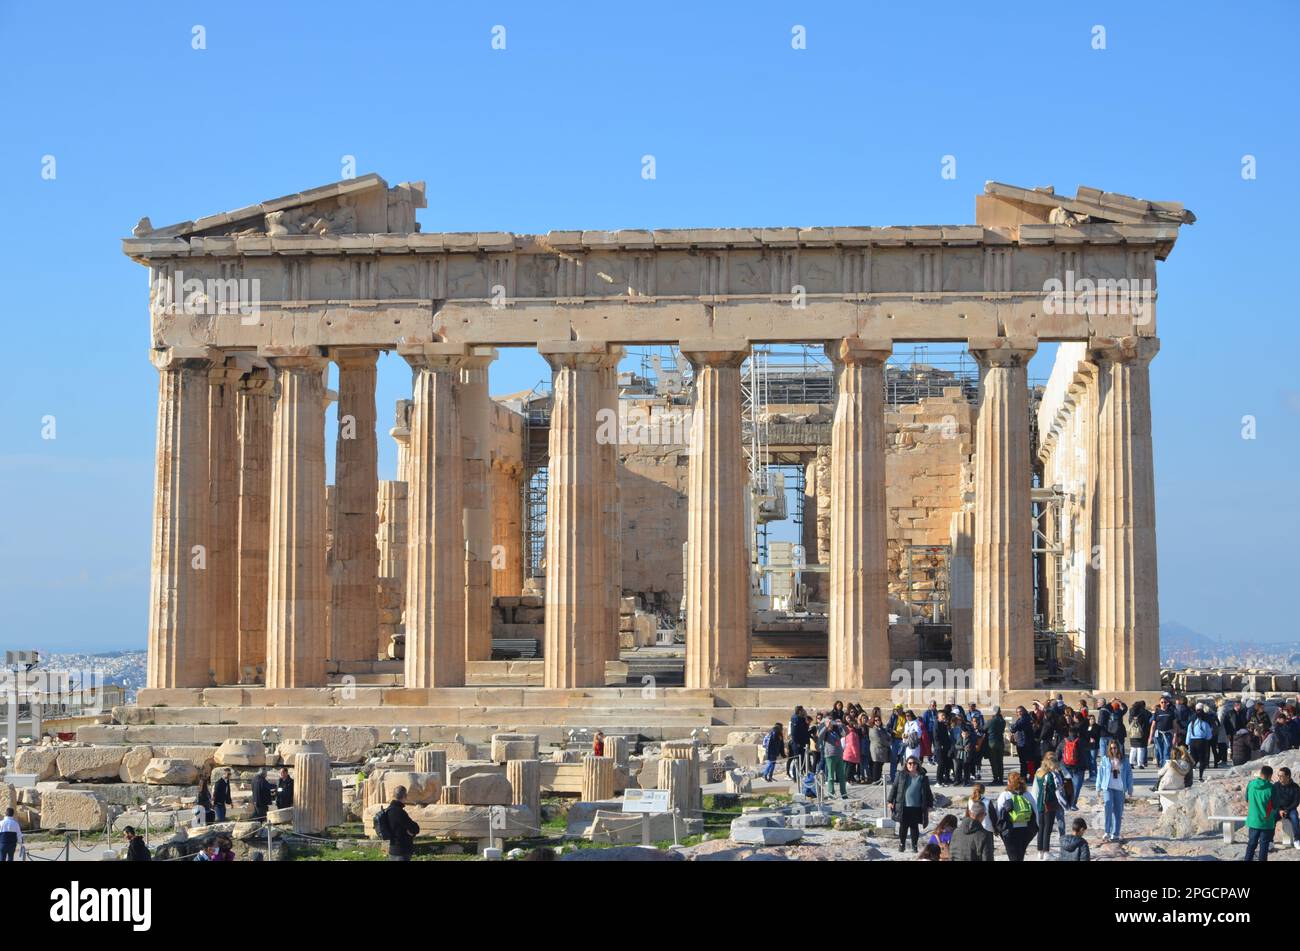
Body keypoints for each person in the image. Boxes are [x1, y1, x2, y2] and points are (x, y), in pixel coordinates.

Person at [887, 755, 933, 854]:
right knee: (903, 826)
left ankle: (914, 846)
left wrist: (929, 805)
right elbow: (894, 788)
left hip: (916, 807)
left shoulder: (922, 777)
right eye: (909, 763)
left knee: (914, 827)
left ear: (917, 765)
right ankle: (902, 844)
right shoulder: (901, 775)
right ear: (906, 764)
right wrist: (890, 801)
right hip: (903, 805)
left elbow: (928, 792)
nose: (911, 765)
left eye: (914, 763)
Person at [1095, 740, 1133, 843]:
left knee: (1118, 811)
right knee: (1108, 808)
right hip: (1108, 787)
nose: (1113, 750)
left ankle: (1115, 833)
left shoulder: (1124, 760)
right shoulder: (1105, 759)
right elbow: (1100, 774)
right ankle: (1107, 831)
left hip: (1120, 788)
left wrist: (1130, 789)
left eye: (1115, 748)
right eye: (1111, 748)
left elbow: (1129, 775)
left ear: (1118, 748)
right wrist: (1098, 787)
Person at [995, 771, 1038, 862]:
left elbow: (998, 813)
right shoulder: (1027, 794)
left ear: (1009, 782)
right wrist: (1036, 827)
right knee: (1020, 854)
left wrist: (998, 829)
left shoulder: (1005, 795)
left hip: (1009, 830)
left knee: (1013, 856)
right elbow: (1035, 811)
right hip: (1026, 830)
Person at [1033, 752, 1069, 859]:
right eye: (1056, 763)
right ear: (1051, 763)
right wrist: (1064, 803)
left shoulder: (1039, 773)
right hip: (1050, 804)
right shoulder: (1052, 775)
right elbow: (1058, 791)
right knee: (1048, 828)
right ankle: (1046, 852)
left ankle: (1040, 851)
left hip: (1040, 804)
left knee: (1041, 828)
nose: (1057, 765)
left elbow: (1036, 790)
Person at [1245, 764, 1276, 862]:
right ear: (1270, 776)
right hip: (1266, 822)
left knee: (1251, 843)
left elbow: (1247, 799)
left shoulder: (1251, 784)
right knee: (1264, 845)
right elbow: (1275, 804)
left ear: (1261, 774)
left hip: (1253, 820)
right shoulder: (1272, 788)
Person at [382, 785, 421, 861]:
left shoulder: (388, 810)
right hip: (402, 851)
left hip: (393, 849)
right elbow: (415, 828)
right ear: (404, 796)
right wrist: (411, 832)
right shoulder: (399, 812)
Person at [1271, 766, 1300, 851]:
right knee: (1271, 818)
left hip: (1290, 809)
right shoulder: (1276, 785)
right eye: (1278, 775)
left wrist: (1287, 810)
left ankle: (1297, 839)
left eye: (1281, 776)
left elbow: (1296, 802)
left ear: (1288, 776)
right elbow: (1273, 800)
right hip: (1278, 809)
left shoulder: (1295, 787)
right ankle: (1269, 841)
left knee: (1295, 818)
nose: (1279, 777)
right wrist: (1279, 810)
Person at [1059, 724, 1087, 810]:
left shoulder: (1064, 741)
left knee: (1066, 786)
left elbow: (1058, 753)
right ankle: (1072, 804)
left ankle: (1066, 803)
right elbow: (1084, 755)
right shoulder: (1081, 741)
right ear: (1077, 733)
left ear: (1069, 732)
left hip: (1065, 766)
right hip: (1078, 768)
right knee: (1076, 787)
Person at [819, 717, 847, 798]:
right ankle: (831, 793)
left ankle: (844, 793)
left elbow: (845, 734)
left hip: (839, 755)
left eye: (831, 723)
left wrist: (841, 725)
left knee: (842, 776)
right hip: (830, 755)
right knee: (831, 776)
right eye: (829, 723)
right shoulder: (825, 732)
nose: (831, 724)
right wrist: (826, 727)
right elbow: (820, 736)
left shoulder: (836, 731)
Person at [1187, 703, 1215, 781]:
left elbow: (1188, 732)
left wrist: (1187, 742)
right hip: (1202, 741)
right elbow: (1209, 735)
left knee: (1193, 760)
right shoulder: (1205, 722)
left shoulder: (1191, 722)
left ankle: (1190, 776)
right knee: (1202, 759)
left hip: (1193, 741)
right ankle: (1200, 776)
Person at [1011, 706, 1039, 780]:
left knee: (1024, 761)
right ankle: (1029, 776)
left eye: (1020, 711)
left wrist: (1012, 727)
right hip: (1027, 742)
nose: (1019, 713)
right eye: (1017, 712)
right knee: (1028, 761)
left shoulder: (1024, 719)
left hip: (1025, 743)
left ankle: (1024, 776)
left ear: (1024, 711)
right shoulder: (1025, 718)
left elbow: (1013, 728)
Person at [1149, 695, 1177, 767]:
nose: (1163, 704)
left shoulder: (1171, 712)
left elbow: (1175, 725)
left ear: (1167, 703)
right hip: (1158, 734)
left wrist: (1175, 736)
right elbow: (1153, 725)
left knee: (1167, 751)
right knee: (1160, 750)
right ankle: (1161, 765)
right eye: (1162, 702)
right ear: (1160, 703)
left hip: (1168, 734)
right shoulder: (1157, 712)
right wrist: (1150, 737)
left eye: (1165, 702)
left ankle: (1166, 766)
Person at [1127, 700, 1151, 769]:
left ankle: (1131, 763)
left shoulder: (1131, 713)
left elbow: (1129, 722)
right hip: (1142, 732)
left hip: (1133, 732)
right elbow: (1148, 719)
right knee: (1141, 748)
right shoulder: (1144, 712)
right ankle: (1140, 763)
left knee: (1133, 748)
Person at [787, 707, 810, 779]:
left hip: (802, 742)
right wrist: (797, 743)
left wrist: (806, 719)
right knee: (797, 760)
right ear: (800, 711)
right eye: (803, 711)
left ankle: (800, 775)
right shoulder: (795, 719)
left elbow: (805, 730)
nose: (804, 712)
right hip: (797, 743)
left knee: (802, 759)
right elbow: (794, 733)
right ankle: (795, 776)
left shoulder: (801, 718)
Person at [867, 715, 891, 784]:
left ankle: (878, 779)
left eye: (879, 720)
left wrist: (888, 740)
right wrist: (888, 744)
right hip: (876, 749)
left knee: (880, 765)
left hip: (882, 750)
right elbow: (879, 740)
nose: (878, 721)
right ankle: (875, 780)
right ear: (873, 721)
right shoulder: (872, 729)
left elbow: (887, 736)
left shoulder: (882, 729)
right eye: (876, 720)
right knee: (876, 765)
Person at [986, 706, 1006, 785]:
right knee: (1000, 762)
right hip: (1000, 742)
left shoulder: (990, 721)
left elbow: (983, 729)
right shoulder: (1002, 721)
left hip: (992, 743)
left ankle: (995, 778)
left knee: (994, 762)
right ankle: (1000, 779)